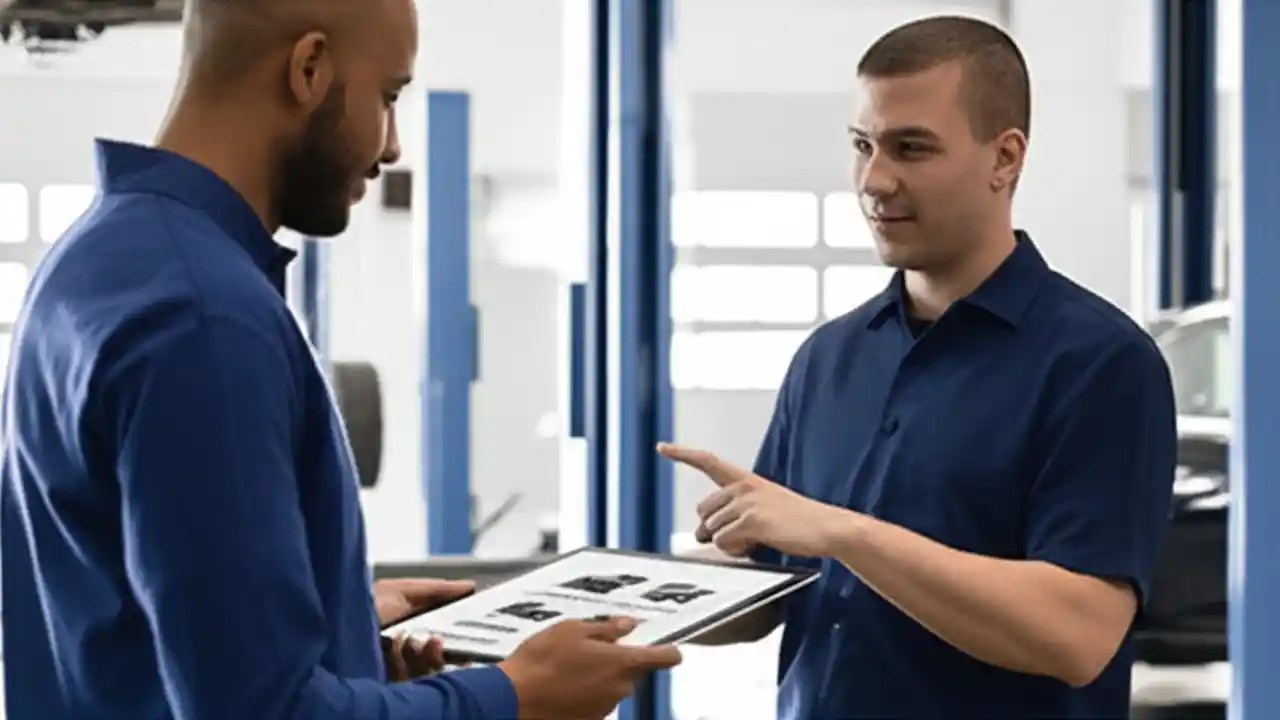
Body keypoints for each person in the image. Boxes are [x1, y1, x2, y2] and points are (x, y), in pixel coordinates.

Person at [0, 1, 680, 718]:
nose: (390, 147)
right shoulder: (205, 316)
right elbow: (266, 713)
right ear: (310, 68)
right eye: (388, 97)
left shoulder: (98, 261)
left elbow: (131, 618)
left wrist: (341, 629)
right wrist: (512, 698)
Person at [661, 15, 1176, 720]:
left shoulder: (1101, 364)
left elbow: (1078, 635)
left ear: (1006, 158)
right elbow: (772, 594)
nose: (875, 181)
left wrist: (845, 533)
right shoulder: (829, 359)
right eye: (863, 146)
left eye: (911, 149)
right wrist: (619, 600)